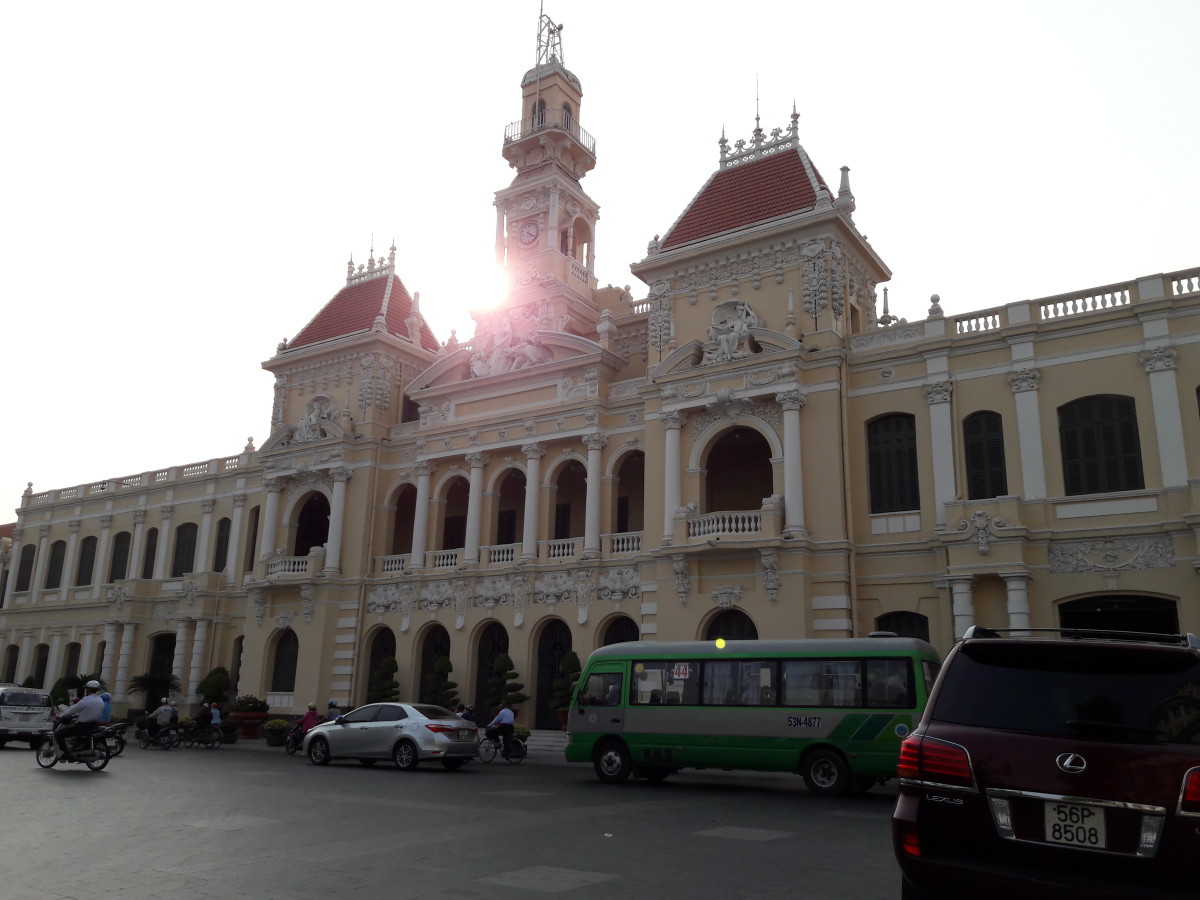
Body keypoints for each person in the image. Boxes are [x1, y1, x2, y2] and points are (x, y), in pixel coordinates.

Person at [54, 680, 105, 757]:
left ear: (88, 689)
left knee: (59, 734)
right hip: (94, 724)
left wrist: (61, 716)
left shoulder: (86, 700)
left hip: (82, 726)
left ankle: (66, 754)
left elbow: (72, 710)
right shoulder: (100, 700)